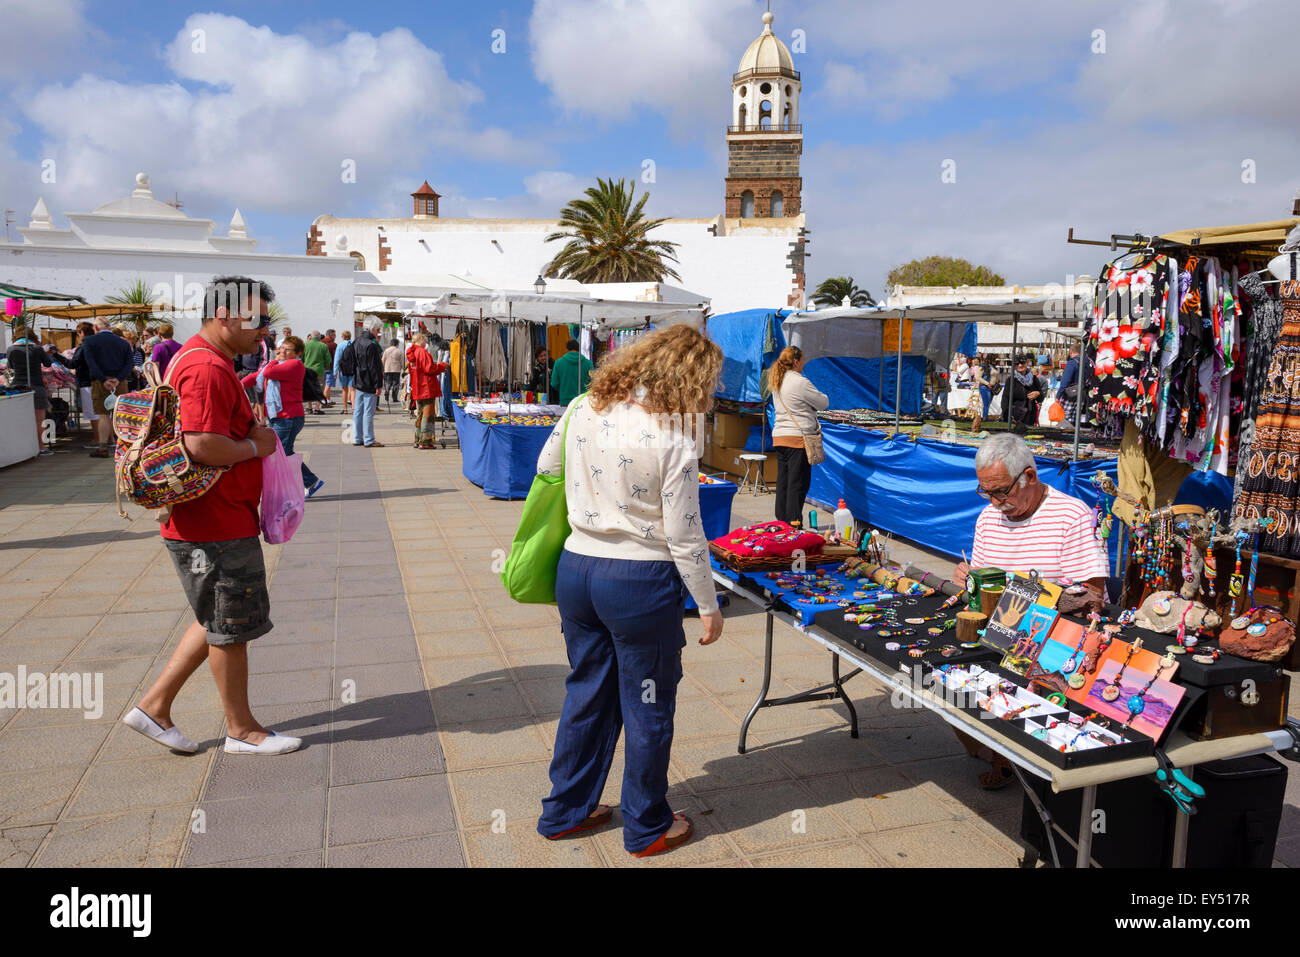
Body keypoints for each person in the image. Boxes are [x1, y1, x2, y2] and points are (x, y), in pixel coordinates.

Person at [535, 324, 723, 857]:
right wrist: (707, 605)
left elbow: (545, 469)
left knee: (586, 693)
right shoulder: (674, 436)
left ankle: (566, 811)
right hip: (639, 581)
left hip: (579, 570)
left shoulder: (580, 407)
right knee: (647, 705)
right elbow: (685, 534)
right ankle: (646, 826)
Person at [124, 275, 301, 757]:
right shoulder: (206, 368)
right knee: (232, 630)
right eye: (257, 319)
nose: (263, 329)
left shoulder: (201, 358)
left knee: (215, 618)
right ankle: (241, 730)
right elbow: (200, 444)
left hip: (209, 519)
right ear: (224, 315)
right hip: (215, 524)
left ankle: (154, 708)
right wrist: (256, 445)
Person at [952, 433, 1110, 787]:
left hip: (1053, 639)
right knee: (939, 675)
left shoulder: (1072, 517)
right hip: (999, 633)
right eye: (986, 492)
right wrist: (970, 580)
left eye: (1001, 492)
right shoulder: (987, 519)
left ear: (1030, 477)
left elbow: (1092, 596)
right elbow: (980, 582)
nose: (994, 503)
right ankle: (999, 751)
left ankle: (1018, 756)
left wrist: (1015, 595)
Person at [240, 335, 324, 498]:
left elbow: (269, 371)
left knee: (280, 453)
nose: (283, 351)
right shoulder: (280, 365)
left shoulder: (295, 365)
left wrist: (274, 358)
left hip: (289, 418)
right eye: (282, 347)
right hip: (280, 416)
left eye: (288, 349)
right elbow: (257, 375)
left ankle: (301, 484)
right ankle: (309, 482)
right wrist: (238, 384)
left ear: (298, 353)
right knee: (284, 452)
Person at [769, 345, 829, 527]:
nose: (804, 363)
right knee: (798, 481)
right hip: (797, 438)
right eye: (802, 360)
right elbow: (823, 402)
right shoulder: (800, 381)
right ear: (796, 361)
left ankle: (782, 520)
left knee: (784, 481)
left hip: (780, 436)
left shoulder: (777, 381)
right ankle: (794, 521)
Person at [82, 316, 135, 458]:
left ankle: (103, 447)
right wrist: (118, 379)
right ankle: (127, 446)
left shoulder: (89, 341)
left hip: (100, 382)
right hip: (120, 382)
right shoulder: (124, 343)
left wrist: (103, 380)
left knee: (103, 415)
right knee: (121, 415)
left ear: (96, 328)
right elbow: (129, 364)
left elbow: (91, 364)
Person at [6, 324, 53, 456]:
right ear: (32, 336)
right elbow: (48, 364)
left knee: (20, 419)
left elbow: (10, 366)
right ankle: (41, 447)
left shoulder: (11, 349)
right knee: (39, 420)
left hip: (18, 387)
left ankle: (23, 448)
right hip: (37, 385)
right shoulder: (37, 349)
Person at [405, 333, 449, 448]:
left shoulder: (412, 353)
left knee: (420, 414)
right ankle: (426, 441)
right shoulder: (422, 352)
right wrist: (442, 366)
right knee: (427, 415)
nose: (426, 343)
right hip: (426, 387)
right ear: (420, 340)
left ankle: (418, 438)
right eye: (425, 340)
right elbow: (429, 368)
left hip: (418, 387)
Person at [350, 317, 385, 448]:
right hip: (369, 382)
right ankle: (369, 439)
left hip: (358, 380)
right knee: (368, 412)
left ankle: (357, 437)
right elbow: (374, 367)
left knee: (358, 411)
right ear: (373, 329)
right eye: (378, 329)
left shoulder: (357, 341)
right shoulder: (372, 345)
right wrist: (378, 385)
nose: (378, 332)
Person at [549, 338, 593, 407]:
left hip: (565, 401)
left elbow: (554, 383)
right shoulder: (588, 363)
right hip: (582, 401)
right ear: (579, 348)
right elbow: (592, 383)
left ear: (567, 349)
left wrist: (563, 389)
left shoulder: (558, 363)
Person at [1008, 354, 1044, 430]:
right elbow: (1005, 399)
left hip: (1030, 415)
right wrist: (1009, 416)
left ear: (1027, 363)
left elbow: (1041, 398)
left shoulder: (1034, 379)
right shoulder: (1011, 379)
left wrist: (1038, 394)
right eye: (1017, 363)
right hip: (1015, 416)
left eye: (1022, 363)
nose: (1020, 365)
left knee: (1029, 439)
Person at [301, 331, 330, 415]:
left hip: (307, 369)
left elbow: (301, 358)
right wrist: (323, 365)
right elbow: (328, 360)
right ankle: (317, 408)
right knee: (319, 389)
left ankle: (309, 407)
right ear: (319, 337)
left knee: (308, 388)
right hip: (319, 370)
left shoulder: (305, 345)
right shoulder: (323, 346)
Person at [1057, 344, 1081, 425]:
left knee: (1066, 423)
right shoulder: (1088, 362)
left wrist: (1058, 395)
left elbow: (1065, 381)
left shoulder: (1072, 363)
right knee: (1076, 422)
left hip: (1070, 396)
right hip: (1082, 395)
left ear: (1071, 352)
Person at [968, 355, 991, 433]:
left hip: (989, 387)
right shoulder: (982, 367)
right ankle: (985, 417)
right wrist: (987, 383)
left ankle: (984, 417)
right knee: (986, 403)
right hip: (985, 386)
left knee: (987, 403)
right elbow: (977, 377)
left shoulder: (990, 367)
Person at [333, 330, 354, 415]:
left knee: (344, 390)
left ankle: (345, 409)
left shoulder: (340, 346)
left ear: (343, 337)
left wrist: (335, 372)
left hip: (343, 370)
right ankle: (353, 408)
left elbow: (337, 359)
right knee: (352, 390)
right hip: (353, 370)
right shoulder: (354, 344)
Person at [381, 337, 405, 403]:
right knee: (396, 384)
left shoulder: (386, 350)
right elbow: (402, 361)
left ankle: (387, 392)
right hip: (396, 369)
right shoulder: (399, 351)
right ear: (397, 344)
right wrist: (403, 369)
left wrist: (382, 368)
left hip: (387, 369)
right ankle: (394, 398)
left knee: (388, 382)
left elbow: (382, 360)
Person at [321, 328, 337, 407]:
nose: (335, 337)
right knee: (328, 385)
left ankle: (328, 400)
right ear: (331, 335)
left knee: (326, 385)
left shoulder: (321, 342)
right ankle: (324, 402)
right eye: (335, 335)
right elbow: (335, 357)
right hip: (330, 367)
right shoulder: (333, 344)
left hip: (322, 367)